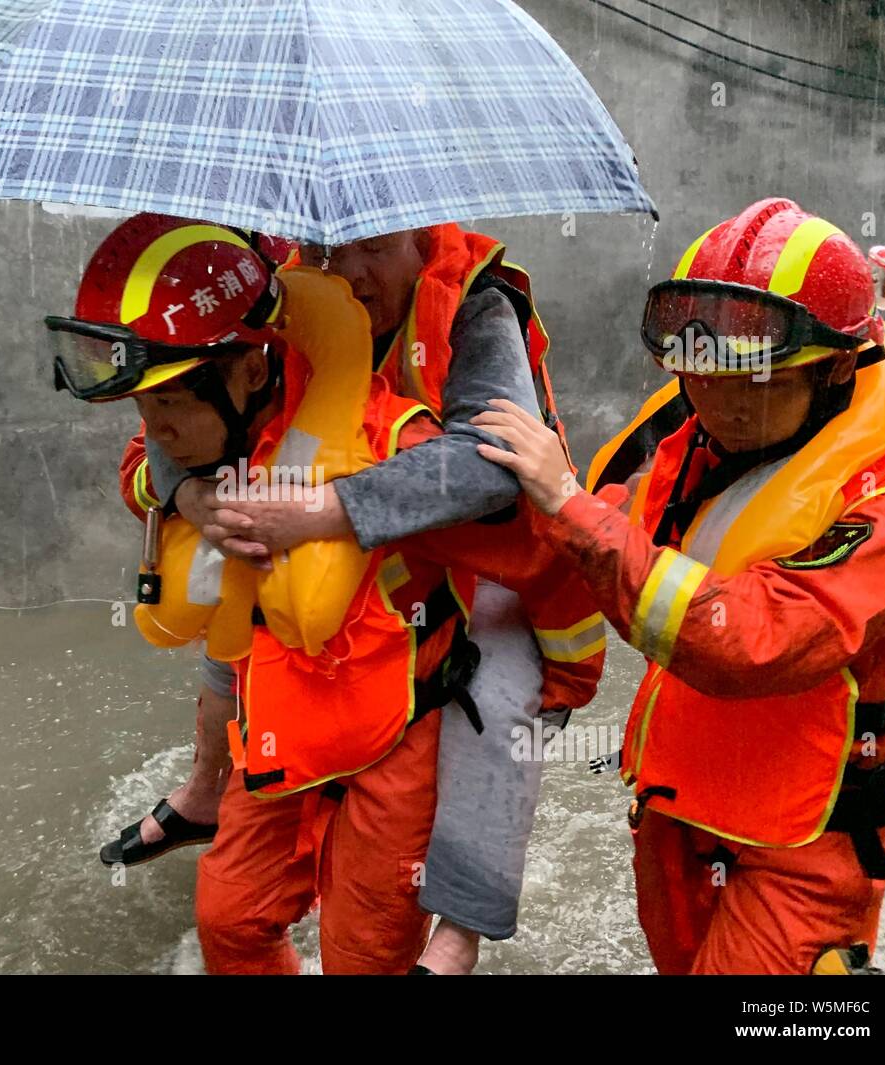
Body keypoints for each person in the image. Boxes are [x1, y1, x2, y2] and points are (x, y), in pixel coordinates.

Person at [54, 214, 602, 972]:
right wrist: (191, 499)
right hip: (302, 657)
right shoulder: (267, 310)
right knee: (228, 633)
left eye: (374, 249)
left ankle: (461, 931)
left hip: (479, 566)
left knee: (502, 706)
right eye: (326, 253)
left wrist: (320, 510)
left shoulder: (477, 308)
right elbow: (159, 438)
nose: (346, 273)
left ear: (421, 240)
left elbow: (492, 471)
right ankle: (207, 788)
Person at [472, 198, 885, 974]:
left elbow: (757, 639)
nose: (716, 400)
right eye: (700, 375)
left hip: (808, 841)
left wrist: (569, 506)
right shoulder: (693, 430)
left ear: (839, 366)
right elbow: (589, 535)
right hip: (681, 806)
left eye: (752, 382)